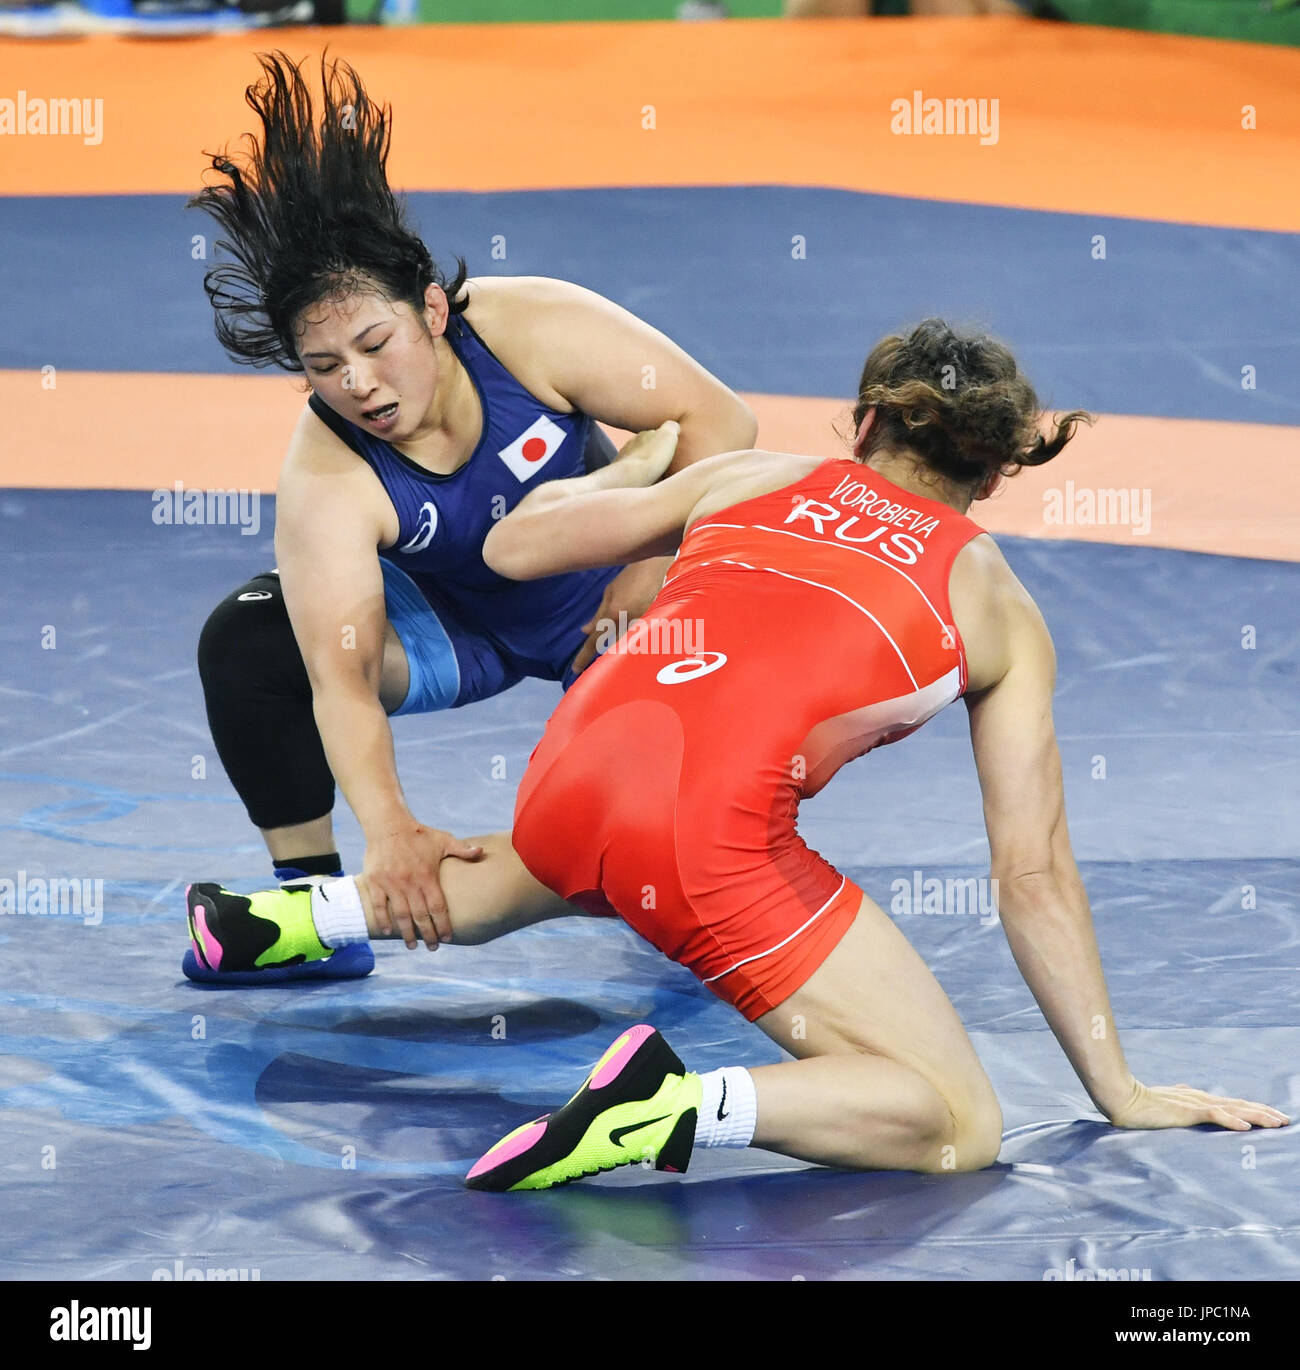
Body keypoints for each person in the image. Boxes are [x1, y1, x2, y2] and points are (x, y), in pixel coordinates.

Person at [185, 319, 1289, 1187]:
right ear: (997, 473)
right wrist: (1119, 1083)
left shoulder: (752, 476)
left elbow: (515, 543)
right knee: (956, 1123)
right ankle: (669, 1107)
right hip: (701, 837)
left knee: (598, 861)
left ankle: (295, 916)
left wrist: (641, 470)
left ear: (859, 422)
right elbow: (1031, 872)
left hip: (570, 779)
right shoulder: (994, 602)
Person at [182, 52, 755, 984]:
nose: (357, 383)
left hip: (615, 598)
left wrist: (649, 567)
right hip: (458, 625)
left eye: (375, 344)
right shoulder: (328, 471)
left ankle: (684, 857)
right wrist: (393, 832)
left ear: (434, 312)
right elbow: (344, 681)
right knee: (250, 642)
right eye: (323, 365)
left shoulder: (529, 327)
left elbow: (721, 423)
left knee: (658, 835)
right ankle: (311, 912)